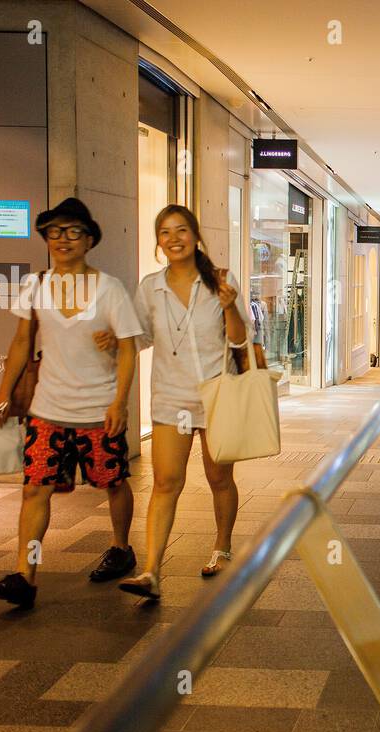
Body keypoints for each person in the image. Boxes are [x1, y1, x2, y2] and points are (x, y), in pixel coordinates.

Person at [0, 198, 142, 609]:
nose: (62, 239)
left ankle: (121, 548)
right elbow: (21, 341)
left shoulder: (109, 289)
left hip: (98, 409)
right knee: (35, 490)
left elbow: (127, 347)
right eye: (54, 231)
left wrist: (120, 402)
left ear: (89, 240)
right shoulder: (35, 285)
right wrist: (2, 393)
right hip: (47, 410)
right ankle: (24, 576)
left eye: (72, 231)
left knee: (113, 482)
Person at [118, 204, 257, 602]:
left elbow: (239, 340)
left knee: (219, 479)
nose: (173, 238)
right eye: (165, 232)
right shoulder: (150, 287)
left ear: (196, 236)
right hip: (171, 398)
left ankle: (222, 548)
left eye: (181, 230)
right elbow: (140, 337)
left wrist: (229, 305)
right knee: (165, 483)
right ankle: (151, 571)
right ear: (158, 242)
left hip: (217, 395)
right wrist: (114, 339)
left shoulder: (220, 281)